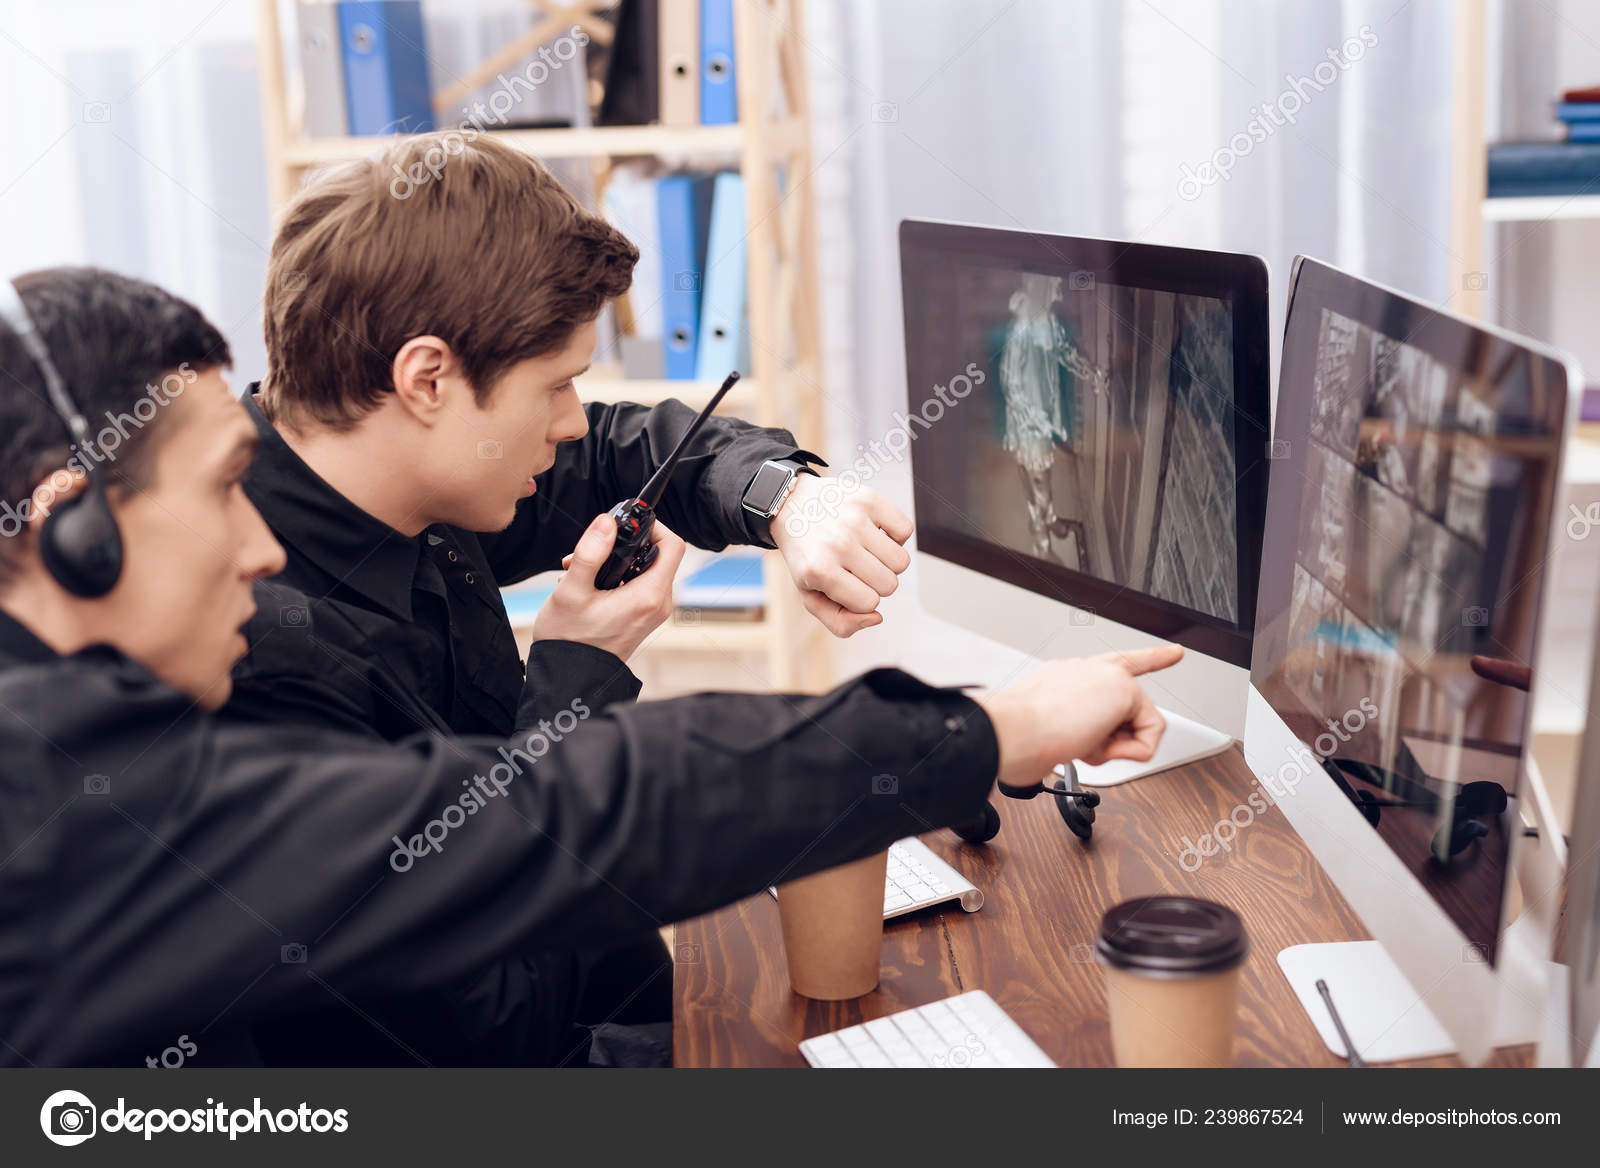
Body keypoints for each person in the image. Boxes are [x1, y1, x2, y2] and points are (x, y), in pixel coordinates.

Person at [0, 268, 1181, 1067]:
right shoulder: (74, 796)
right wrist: (987, 729)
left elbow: (622, 449)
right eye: (221, 488)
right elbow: (558, 823)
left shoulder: (411, 508)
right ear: (70, 522)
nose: (256, 545)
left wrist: (789, 500)